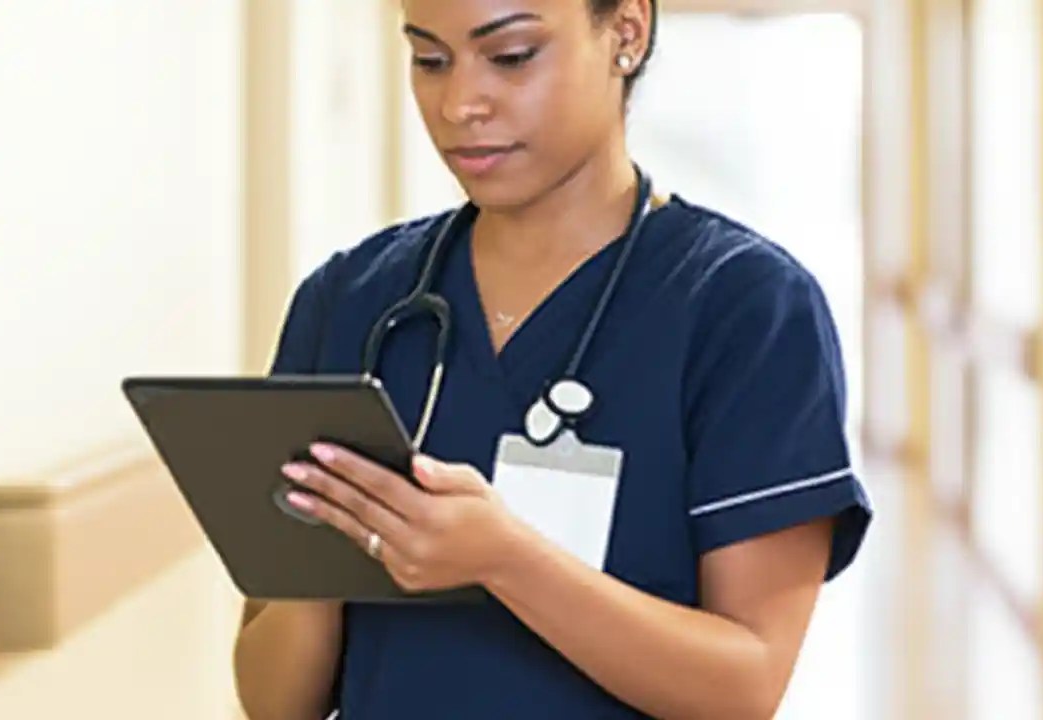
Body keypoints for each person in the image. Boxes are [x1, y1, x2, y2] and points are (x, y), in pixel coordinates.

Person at [233, 0, 872, 718]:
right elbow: (272, 702)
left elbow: (743, 687)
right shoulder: (347, 303)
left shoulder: (744, 308)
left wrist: (504, 560)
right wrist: (325, 569)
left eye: (511, 57)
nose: (460, 104)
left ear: (625, 33)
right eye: (430, 60)